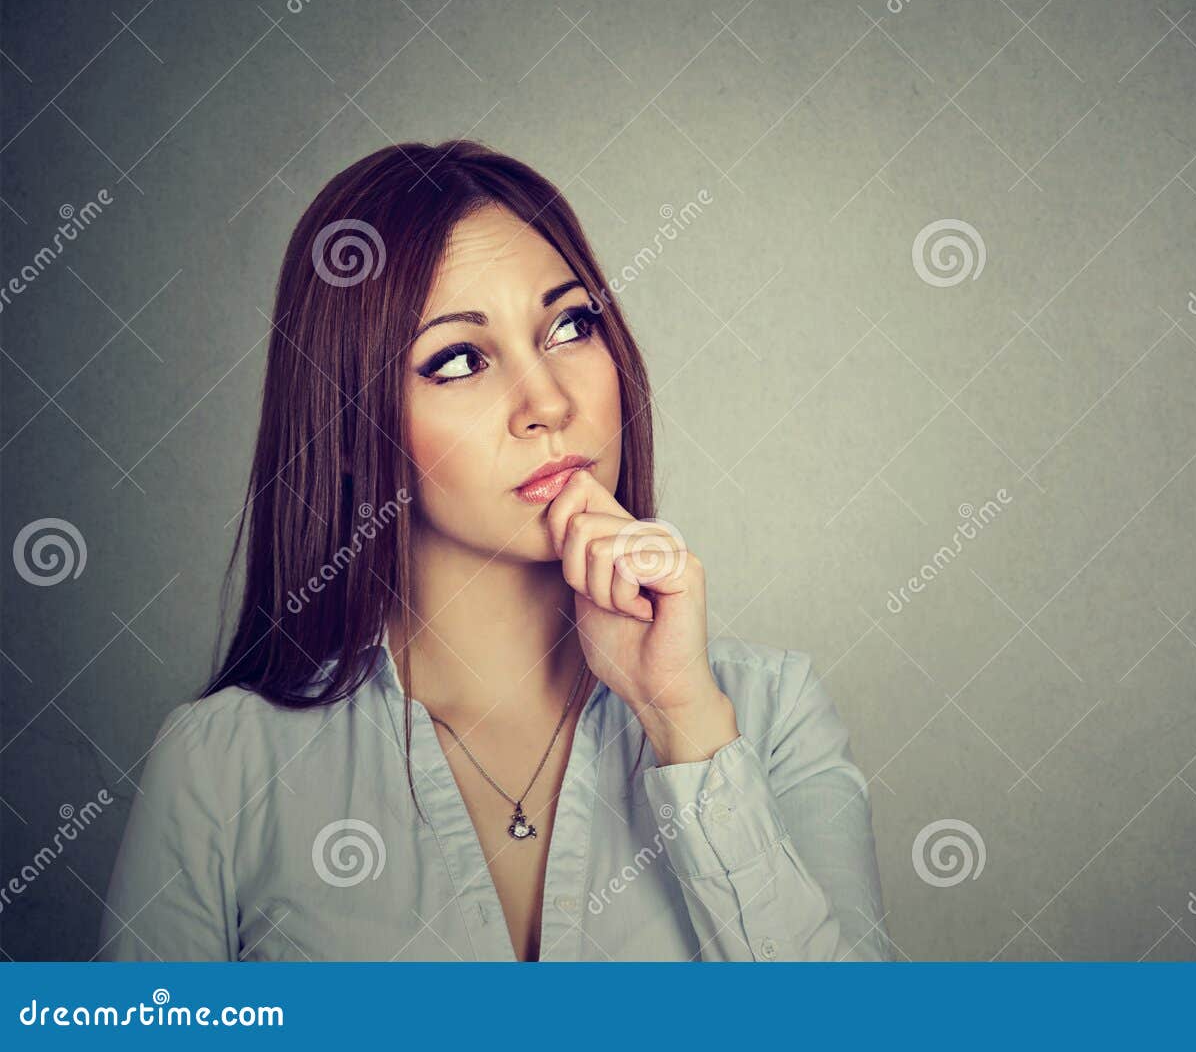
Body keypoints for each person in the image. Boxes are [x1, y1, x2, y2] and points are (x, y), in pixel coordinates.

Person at [97, 140, 893, 962]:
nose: (548, 401)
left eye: (569, 324)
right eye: (460, 359)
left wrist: (678, 718)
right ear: (345, 425)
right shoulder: (223, 766)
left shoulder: (767, 715)